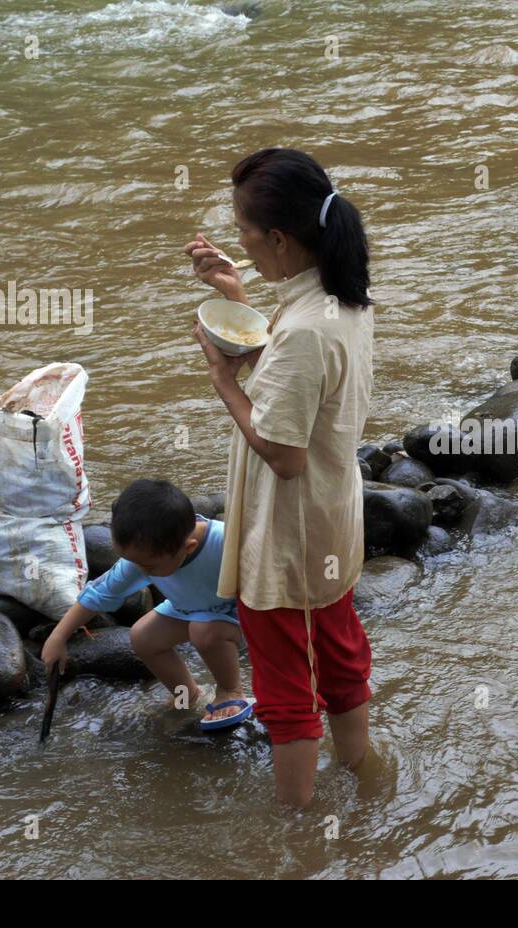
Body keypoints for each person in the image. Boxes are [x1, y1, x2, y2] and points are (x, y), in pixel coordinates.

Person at [185, 148, 375, 808]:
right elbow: (298, 388)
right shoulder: (341, 299)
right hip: (332, 519)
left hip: (289, 533)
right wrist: (238, 298)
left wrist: (222, 379)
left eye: (242, 228)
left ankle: (295, 832)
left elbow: (282, 450)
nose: (238, 239)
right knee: (340, 657)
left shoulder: (299, 331)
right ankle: (364, 776)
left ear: (279, 237)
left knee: (288, 690)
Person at [41, 479, 252, 730]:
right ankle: (187, 696)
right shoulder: (145, 555)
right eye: (133, 562)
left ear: (189, 548)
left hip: (239, 618)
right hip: (189, 610)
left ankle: (230, 691)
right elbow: (99, 594)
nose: (140, 571)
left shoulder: (226, 543)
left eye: (149, 567)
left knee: (202, 630)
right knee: (143, 636)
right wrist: (58, 637)